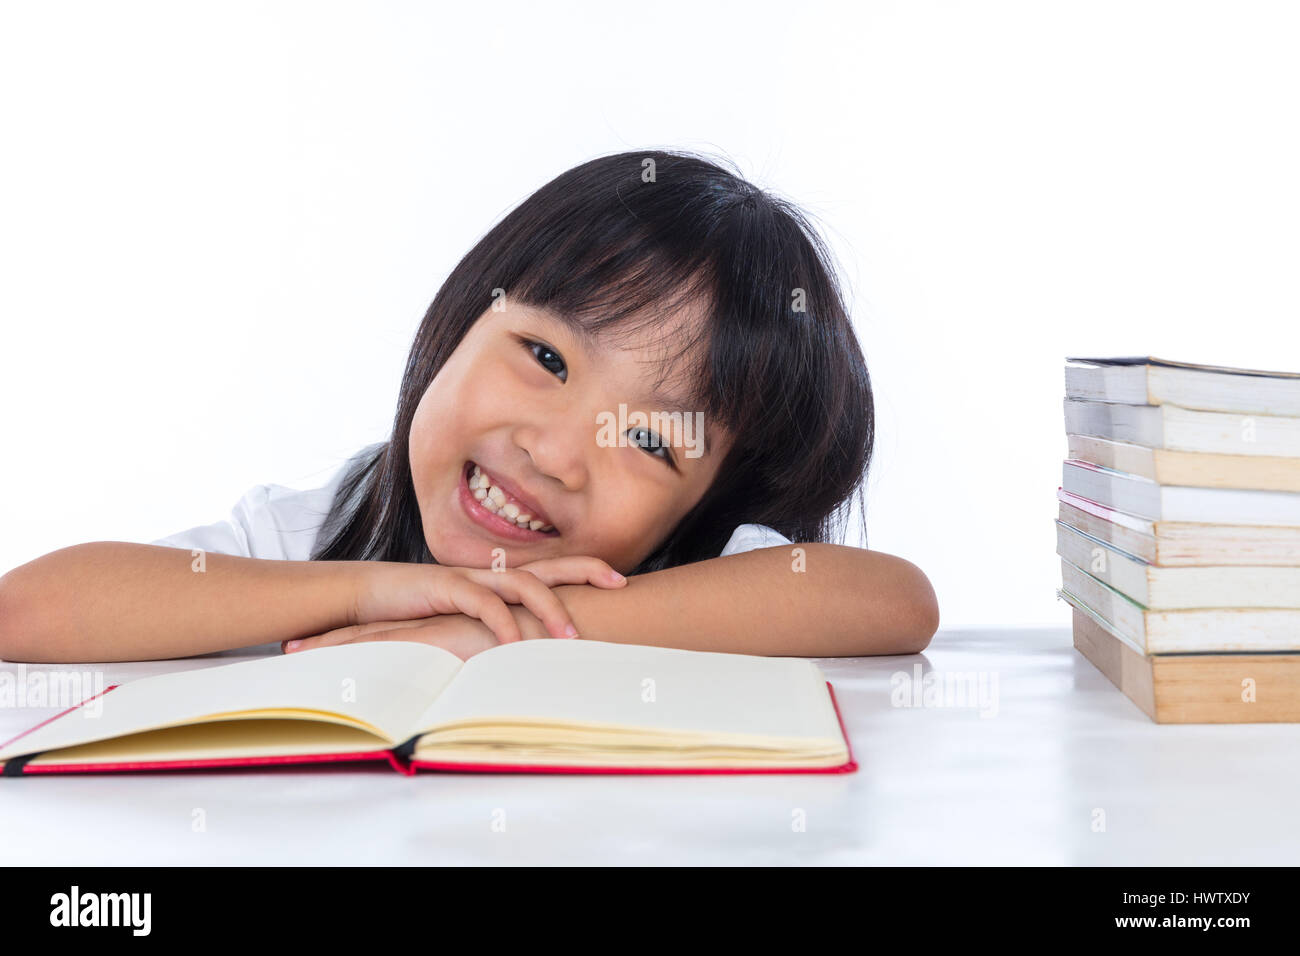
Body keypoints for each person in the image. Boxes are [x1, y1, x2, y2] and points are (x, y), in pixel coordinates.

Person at [0, 149, 938, 663]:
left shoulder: (688, 571)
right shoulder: (332, 527)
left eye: (651, 439)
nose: (558, 453)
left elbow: (895, 602)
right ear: (458, 321)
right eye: (544, 356)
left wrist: (496, 632)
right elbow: (29, 614)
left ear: (705, 506)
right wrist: (373, 593)